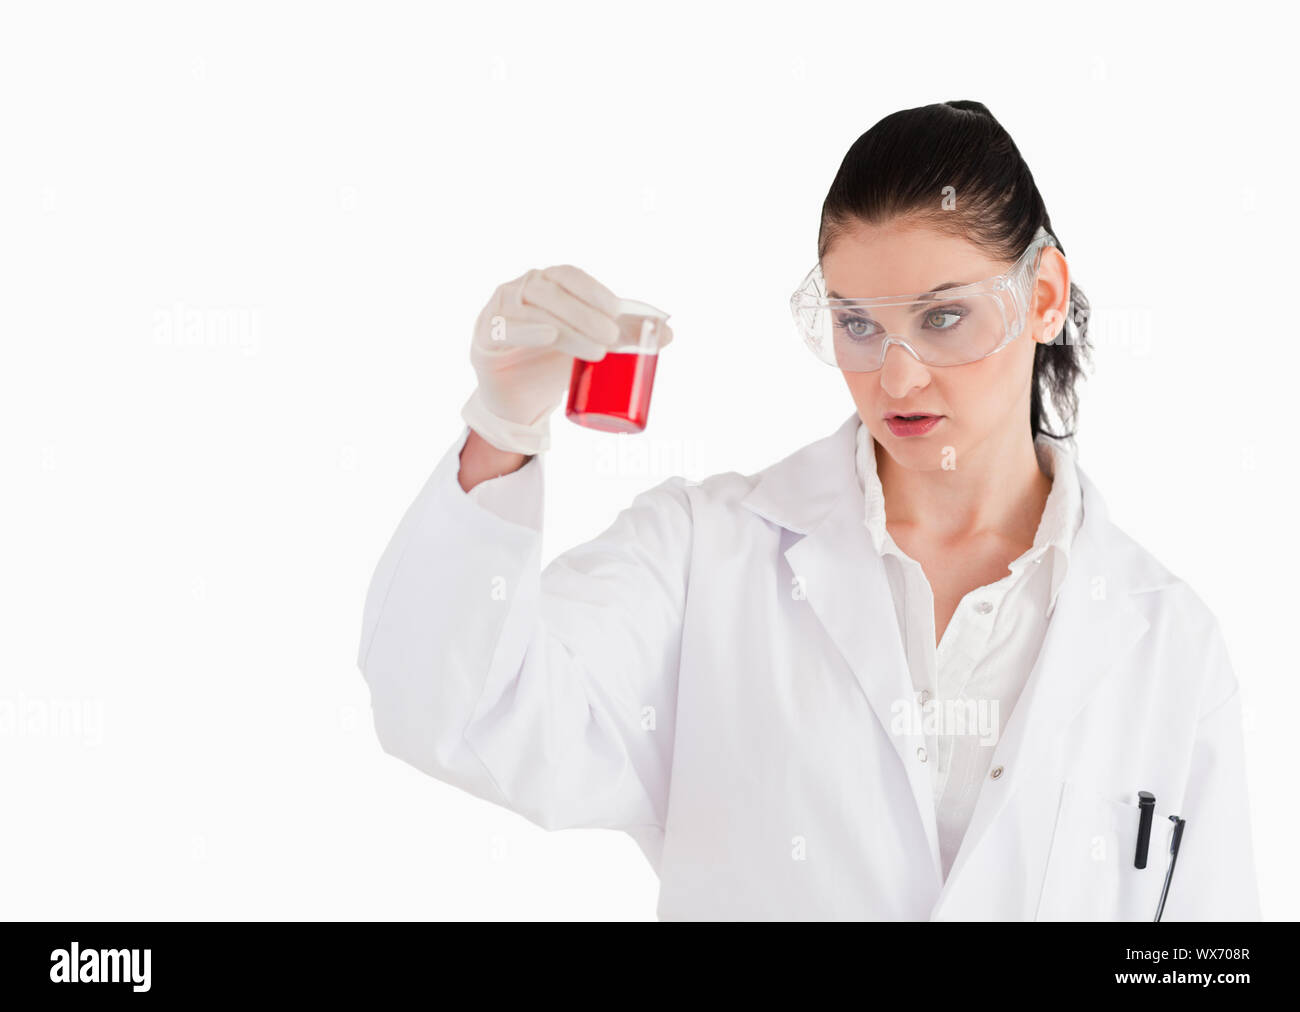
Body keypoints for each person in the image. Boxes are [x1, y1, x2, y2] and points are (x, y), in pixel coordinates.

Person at [356, 100, 1261, 920]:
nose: (895, 375)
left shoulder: (1165, 643)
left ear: (1044, 296)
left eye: (943, 317)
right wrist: (503, 425)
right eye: (859, 323)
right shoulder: (705, 559)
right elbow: (461, 714)